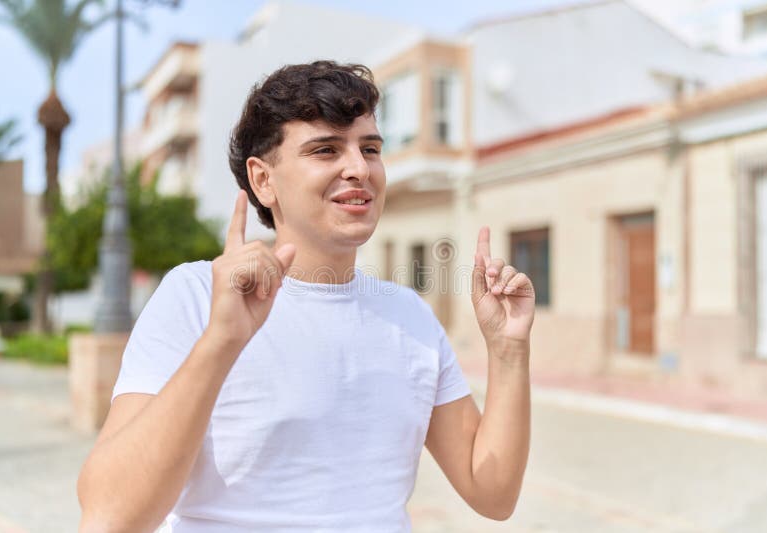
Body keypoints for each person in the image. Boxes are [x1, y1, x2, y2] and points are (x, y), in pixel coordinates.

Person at [77, 60, 535, 533]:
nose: (359, 169)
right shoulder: (196, 296)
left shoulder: (410, 317)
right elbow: (110, 517)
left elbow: (493, 494)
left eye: (370, 149)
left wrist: (508, 351)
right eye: (325, 150)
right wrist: (221, 342)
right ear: (263, 180)